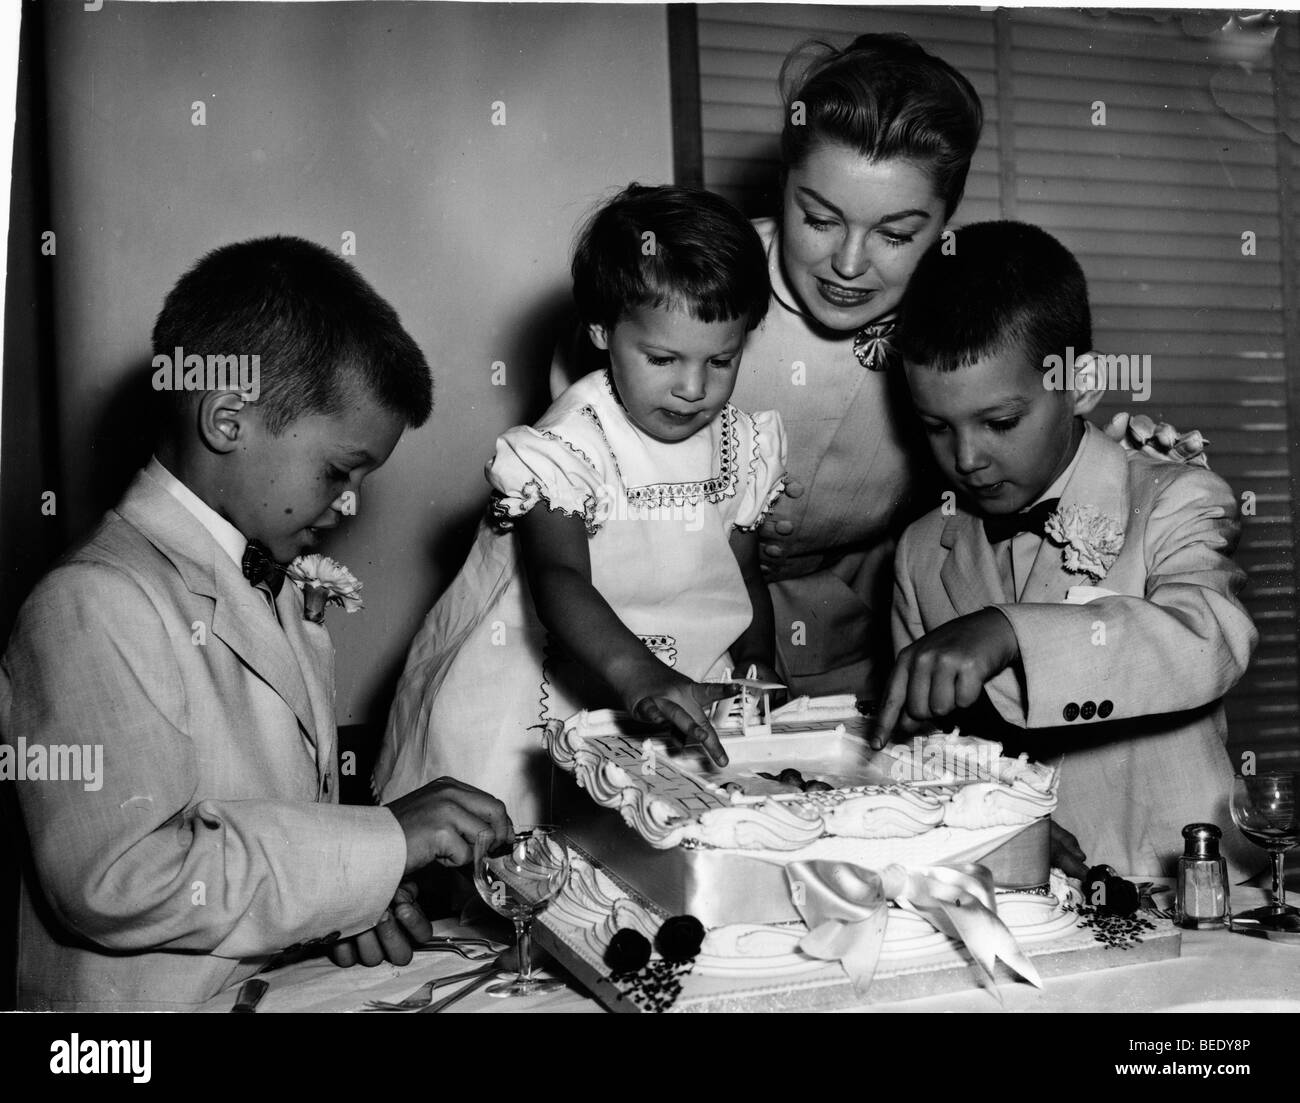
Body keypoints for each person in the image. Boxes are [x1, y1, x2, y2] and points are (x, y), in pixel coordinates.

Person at [553, 33, 1207, 701]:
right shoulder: (683, 282)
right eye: (818, 218)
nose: (848, 263)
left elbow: (1035, 436)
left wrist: (1116, 468)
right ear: (784, 186)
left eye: (895, 234)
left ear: (947, 221)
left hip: (845, 649)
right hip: (629, 635)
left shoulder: (966, 324)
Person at [0, 237, 512, 1010]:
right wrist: (381, 841)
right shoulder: (91, 604)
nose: (348, 504)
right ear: (228, 420)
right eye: (339, 471)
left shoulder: (271, 580)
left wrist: (346, 901)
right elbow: (118, 879)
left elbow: (261, 842)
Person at [375, 185, 785, 822]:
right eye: (663, 358)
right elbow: (560, 578)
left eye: (722, 360)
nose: (693, 388)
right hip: (542, 676)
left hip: (675, 677)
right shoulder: (569, 445)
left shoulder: (743, 445)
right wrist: (639, 674)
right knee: (511, 848)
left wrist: (760, 664)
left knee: (653, 848)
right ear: (601, 330)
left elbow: (745, 573)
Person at [882, 221, 1258, 879]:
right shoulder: (921, 553)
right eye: (937, 427)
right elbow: (921, 754)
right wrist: (1005, 826)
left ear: (1080, 384)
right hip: (1018, 903)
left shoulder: (1179, 498)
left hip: (1192, 894)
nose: (966, 459)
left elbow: (1209, 639)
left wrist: (1009, 631)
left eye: (1000, 423)